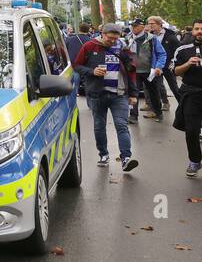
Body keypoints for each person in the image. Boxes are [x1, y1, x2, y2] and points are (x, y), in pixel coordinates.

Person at [72, 22, 139, 172]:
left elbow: (131, 71)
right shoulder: (90, 46)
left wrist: (133, 94)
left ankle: (126, 158)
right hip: (97, 93)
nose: (113, 41)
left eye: (116, 38)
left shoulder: (123, 47)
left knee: (121, 125)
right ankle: (103, 154)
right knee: (99, 126)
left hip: (119, 94)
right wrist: (92, 71)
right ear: (102, 34)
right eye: (110, 38)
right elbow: (76, 66)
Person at [172, 19, 202, 178]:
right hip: (191, 94)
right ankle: (195, 160)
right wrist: (188, 64)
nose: (199, 31)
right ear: (192, 31)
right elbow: (175, 72)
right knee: (191, 131)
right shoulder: (183, 50)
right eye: (197, 29)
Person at [127, 18, 167, 121]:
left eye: (135, 26)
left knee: (154, 93)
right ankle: (133, 116)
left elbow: (162, 54)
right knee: (133, 94)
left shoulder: (152, 39)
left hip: (149, 72)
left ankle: (158, 113)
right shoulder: (128, 38)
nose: (133, 28)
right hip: (133, 71)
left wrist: (158, 66)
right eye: (132, 25)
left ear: (142, 27)